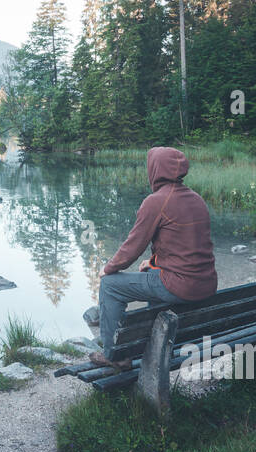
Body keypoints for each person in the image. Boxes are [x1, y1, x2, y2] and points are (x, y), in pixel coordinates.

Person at [90, 146, 218, 370]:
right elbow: (188, 248)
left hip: (181, 287)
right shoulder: (196, 199)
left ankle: (114, 355)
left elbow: (133, 247)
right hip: (205, 284)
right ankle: (156, 341)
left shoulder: (156, 201)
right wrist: (153, 263)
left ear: (155, 170)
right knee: (148, 271)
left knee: (110, 286)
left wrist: (108, 268)